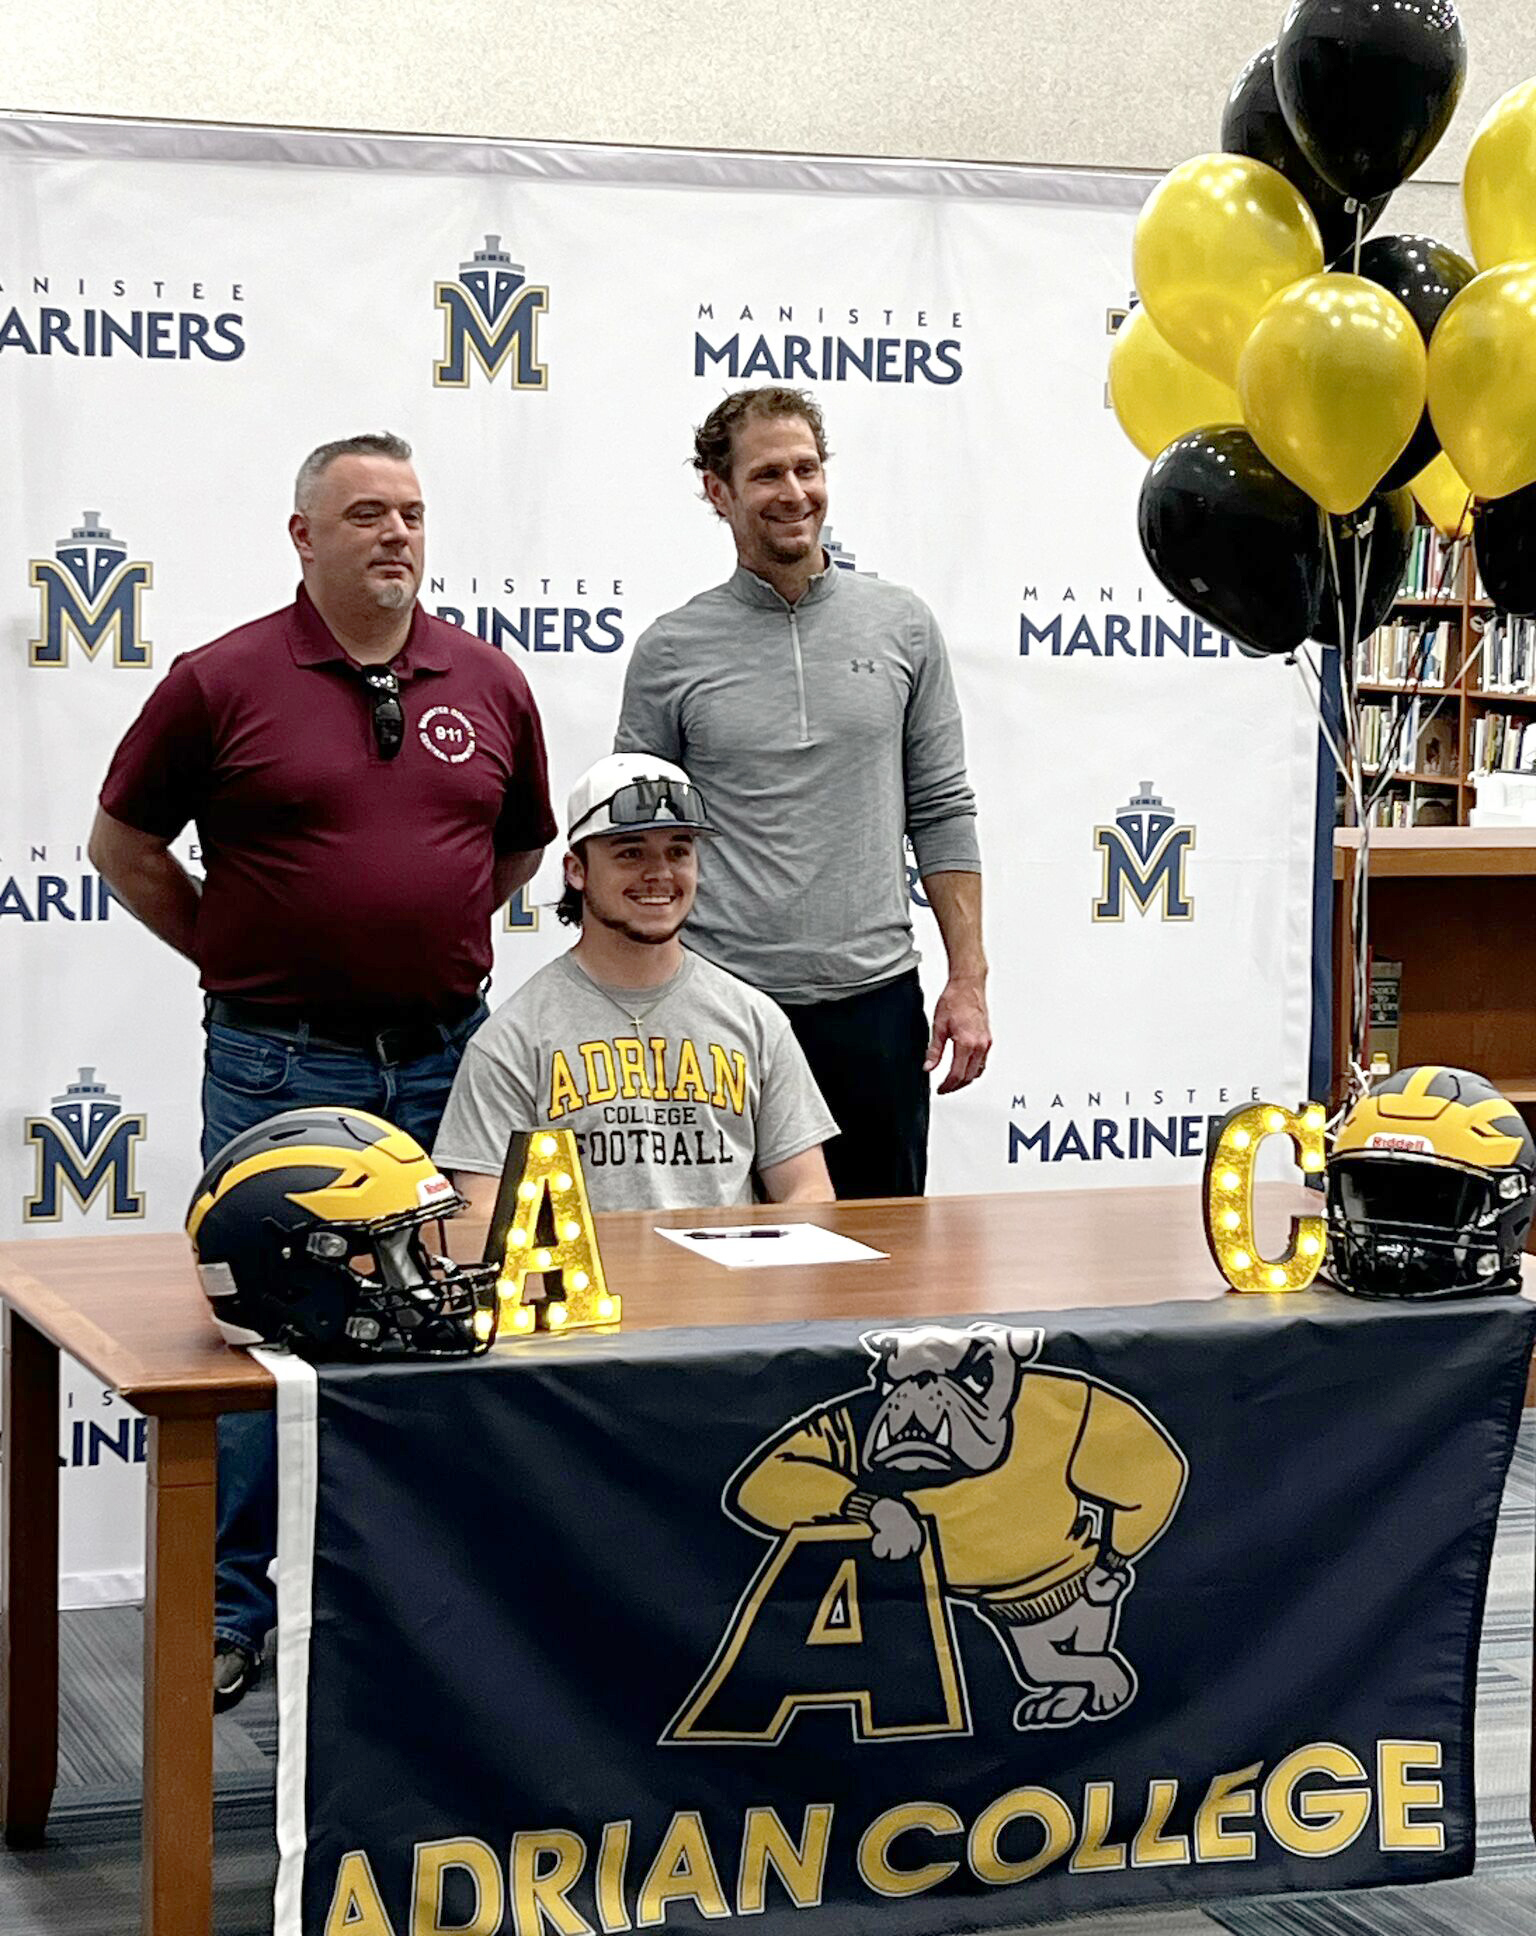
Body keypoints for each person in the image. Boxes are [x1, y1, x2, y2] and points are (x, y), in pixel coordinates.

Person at [89, 430, 556, 1710]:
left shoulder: (490, 680)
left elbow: (512, 855)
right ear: (304, 536)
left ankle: (425, 1609)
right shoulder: (218, 680)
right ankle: (230, 1619)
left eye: (411, 510)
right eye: (365, 513)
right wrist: (237, 954)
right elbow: (122, 846)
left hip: (449, 1064)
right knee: (255, 1348)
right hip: (275, 1065)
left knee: (447, 1334)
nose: (397, 533)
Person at [613, 386, 988, 1200]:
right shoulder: (671, 648)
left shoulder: (903, 625)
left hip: (875, 1010)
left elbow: (943, 810)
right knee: (709, 1288)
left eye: (807, 469)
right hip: (715, 1014)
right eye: (767, 475)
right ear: (719, 492)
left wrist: (968, 981)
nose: (794, 494)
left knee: (877, 1282)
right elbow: (634, 845)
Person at [435, 754, 838, 1215]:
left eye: (678, 851)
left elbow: (806, 1193)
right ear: (576, 870)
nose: (660, 873)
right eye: (631, 851)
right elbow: (482, 1211)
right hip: (582, 1287)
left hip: (729, 1286)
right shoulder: (512, 1039)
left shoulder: (755, 1020)